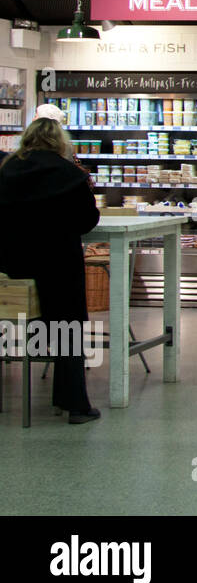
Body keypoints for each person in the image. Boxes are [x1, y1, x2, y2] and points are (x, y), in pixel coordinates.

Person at [0, 117, 101, 423]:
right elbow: (87, 221)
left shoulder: (5, 171)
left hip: (12, 265)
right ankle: (73, 404)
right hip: (57, 262)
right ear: (59, 141)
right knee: (68, 327)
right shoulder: (70, 174)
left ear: (27, 139)